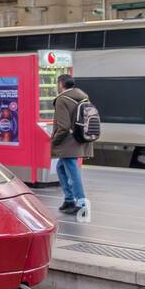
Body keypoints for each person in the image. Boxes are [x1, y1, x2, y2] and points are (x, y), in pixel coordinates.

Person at [51, 74, 93, 213]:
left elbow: (63, 126)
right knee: (61, 168)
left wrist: (54, 141)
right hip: (80, 138)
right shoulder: (83, 96)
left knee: (73, 172)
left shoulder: (62, 99)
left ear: (61, 84)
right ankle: (69, 200)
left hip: (68, 142)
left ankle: (81, 203)